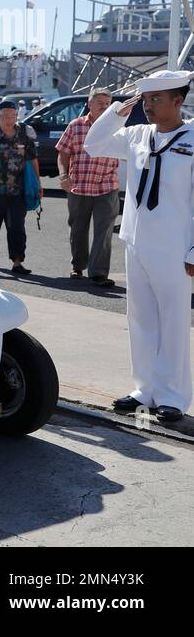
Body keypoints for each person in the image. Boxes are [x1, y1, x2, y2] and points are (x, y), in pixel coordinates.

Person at [85, 70, 194, 425]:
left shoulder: (192, 138)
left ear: (178, 101)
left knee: (173, 323)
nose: (147, 106)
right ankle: (144, 389)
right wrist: (116, 111)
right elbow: (94, 144)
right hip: (137, 241)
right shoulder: (136, 135)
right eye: (145, 99)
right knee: (141, 319)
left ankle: (173, 396)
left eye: (155, 99)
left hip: (176, 248)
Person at [57, 88, 120, 286]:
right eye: (100, 102)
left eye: (107, 103)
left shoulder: (116, 127)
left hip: (107, 186)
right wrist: (63, 175)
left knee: (104, 231)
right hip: (79, 186)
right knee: (78, 229)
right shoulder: (76, 126)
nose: (104, 106)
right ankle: (78, 266)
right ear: (89, 103)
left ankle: (98, 273)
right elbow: (63, 154)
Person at [0, 100, 40, 275]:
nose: (10, 119)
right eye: (6, 116)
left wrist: (37, 183)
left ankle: (17, 261)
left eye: (13, 116)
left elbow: (32, 159)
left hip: (17, 191)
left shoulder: (24, 136)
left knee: (17, 228)